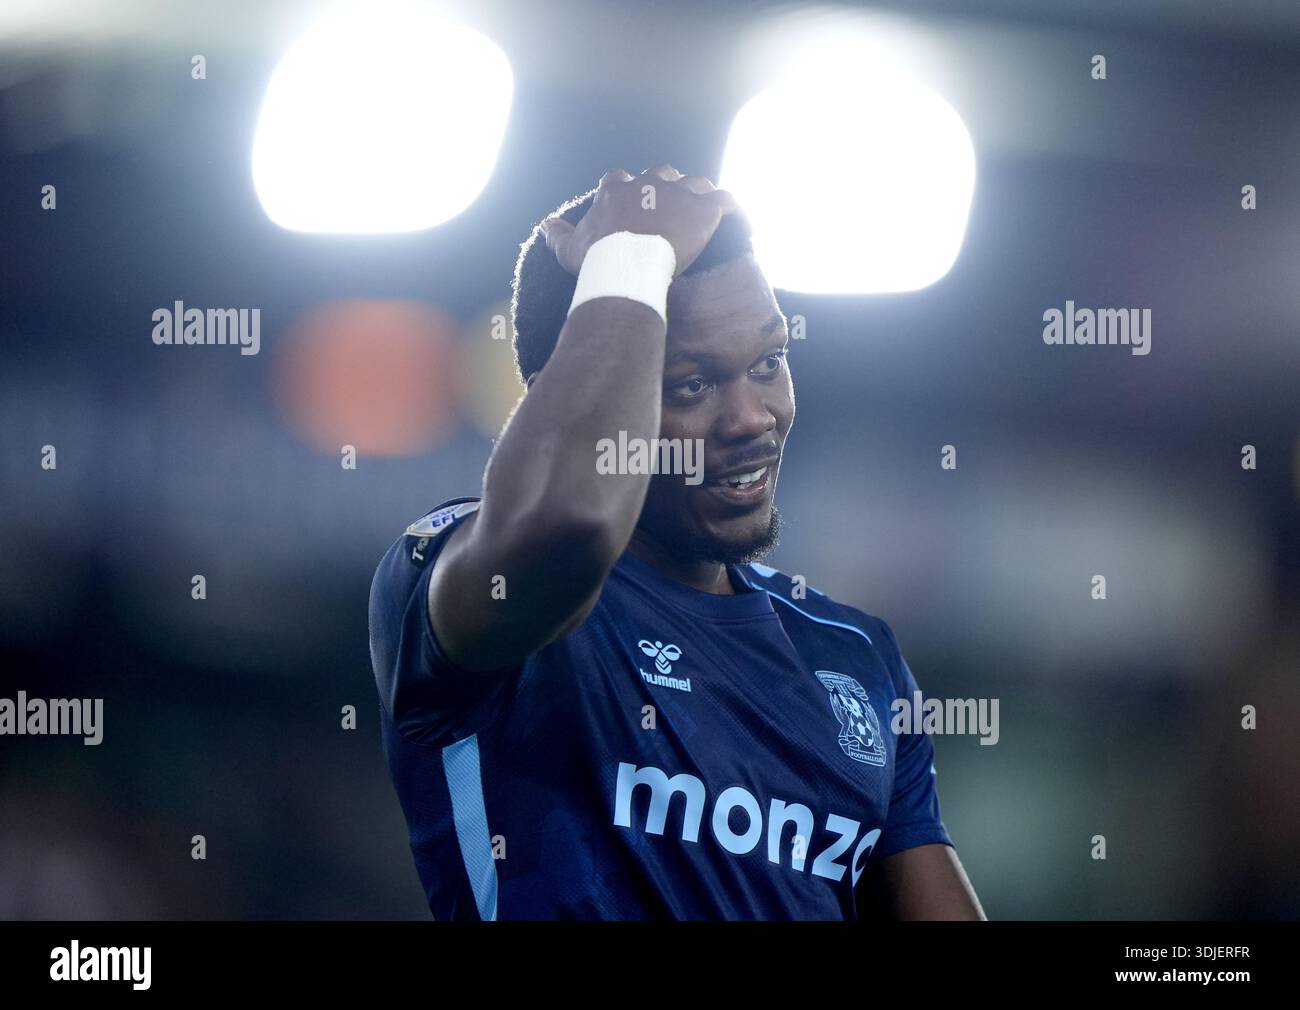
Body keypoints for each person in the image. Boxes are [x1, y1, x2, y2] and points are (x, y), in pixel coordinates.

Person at [368, 165, 985, 920]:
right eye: (692, 385)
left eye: (769, 362)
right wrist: (628, 255)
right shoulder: (468, 582)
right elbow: (573, 520)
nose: (752, 417)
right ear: (582, 395)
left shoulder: (854, 656)